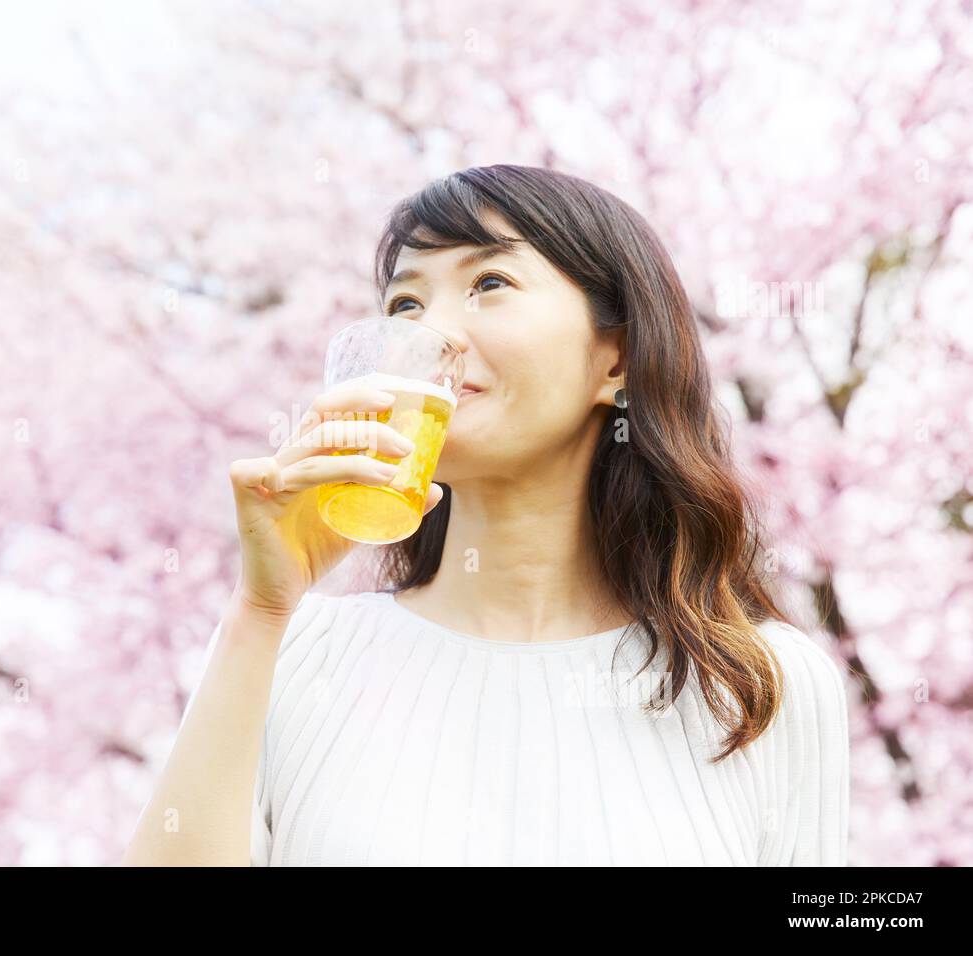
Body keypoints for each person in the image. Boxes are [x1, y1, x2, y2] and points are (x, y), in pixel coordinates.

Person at [122, 165, 850, 866]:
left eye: (489, 283)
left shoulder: (760, 685)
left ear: (618, 359)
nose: (428, 336)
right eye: (405, 304)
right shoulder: (295, 650)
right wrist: (258, 611)